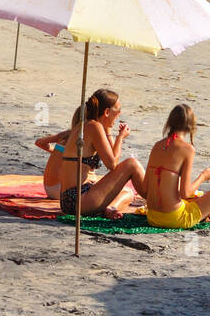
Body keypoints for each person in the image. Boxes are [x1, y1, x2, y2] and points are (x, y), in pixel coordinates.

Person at [144, 104, 210, 229]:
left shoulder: (157, 146)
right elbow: (185, 193)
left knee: (192, 199)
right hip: (175, 219)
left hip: (152, 217)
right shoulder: (187, 149)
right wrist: (203, 177)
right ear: (190, 127)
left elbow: (145, 189)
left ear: (170, 123)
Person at [56, 88, 146, 218]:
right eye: (118, 110)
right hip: (77, 199)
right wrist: (120, 138)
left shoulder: (88, 125)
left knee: (128, 192)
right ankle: (156, 201)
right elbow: (112, 164)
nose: (119, 114)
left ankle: (110, 208)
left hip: (71, 199)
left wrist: (108, 129)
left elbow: (111, 155)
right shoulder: (94, 127)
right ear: (107, 112)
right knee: (132, 164)